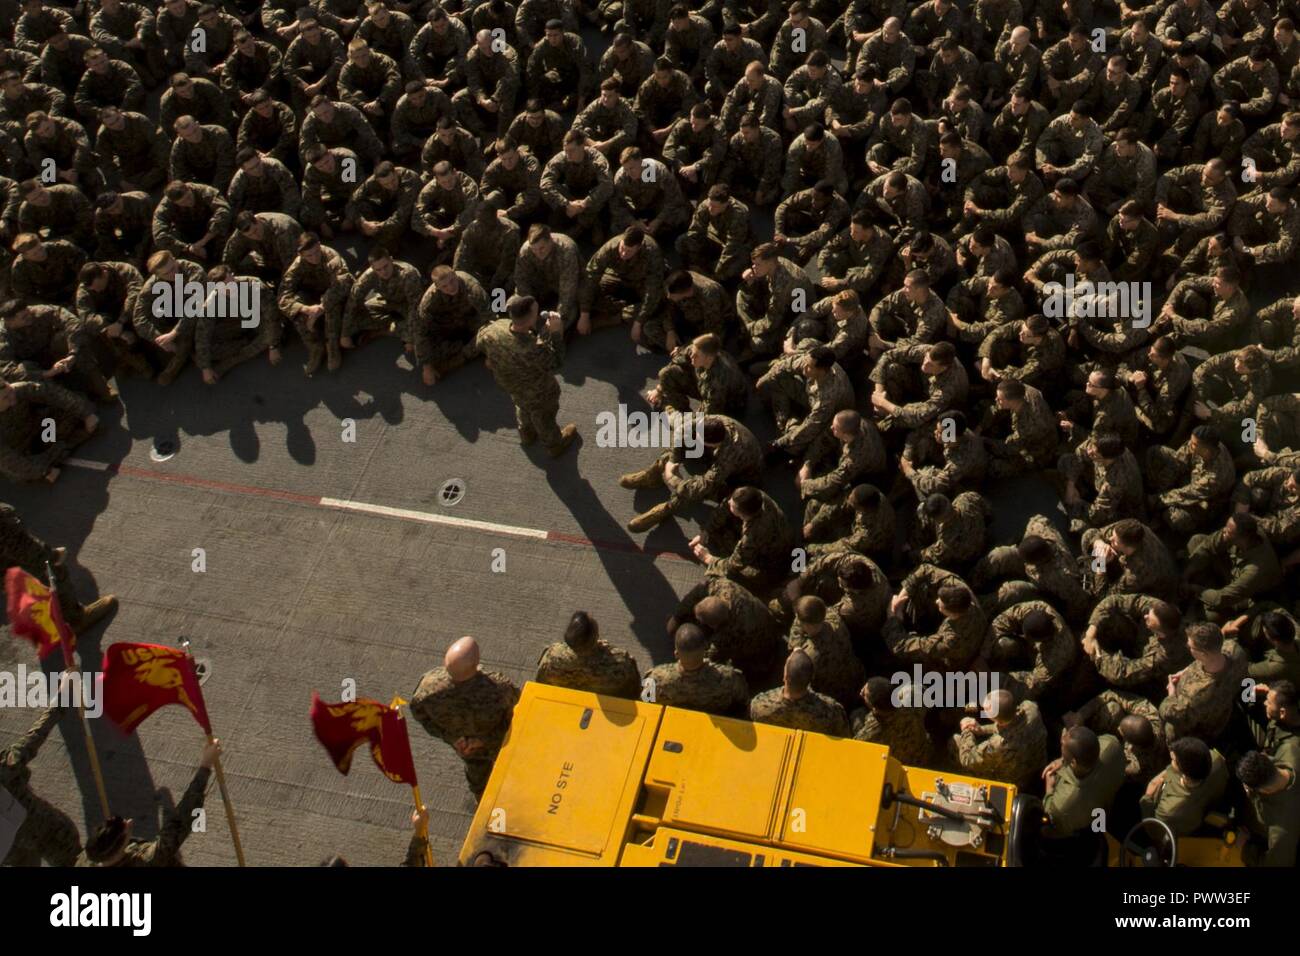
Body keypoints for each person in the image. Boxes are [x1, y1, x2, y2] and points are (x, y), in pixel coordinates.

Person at [409, 636, 520, 799]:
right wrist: (485, 740)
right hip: (498, 744)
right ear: (476, 664)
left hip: (465, 748)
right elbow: (519, 712)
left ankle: (483, 803)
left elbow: (421, 716)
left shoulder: (427, 689)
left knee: (477, 776)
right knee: (512, 770)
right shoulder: (498, 688)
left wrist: (453, 738)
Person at [81, 739, 222, 866]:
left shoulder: (86, 862)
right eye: (124, 828)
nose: (129, 822)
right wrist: (205, 765)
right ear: (118, 849)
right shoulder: (149, 861)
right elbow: (181, 820)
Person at [474, 294, 576, 457]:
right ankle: (554, 444)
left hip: (510, 384)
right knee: (543, 415)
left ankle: (526, 433)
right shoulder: (533, 349)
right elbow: (556, 362)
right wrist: (556, 333)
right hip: (538, 391)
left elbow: (480, 342)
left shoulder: (496, 328)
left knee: (521, 406)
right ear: (531, 318)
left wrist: (492, 360)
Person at [535, 610, 640, 698]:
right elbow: (635, 690)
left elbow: (541, 684)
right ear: (596, 636)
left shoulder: (551, 659)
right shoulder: (621, 663)